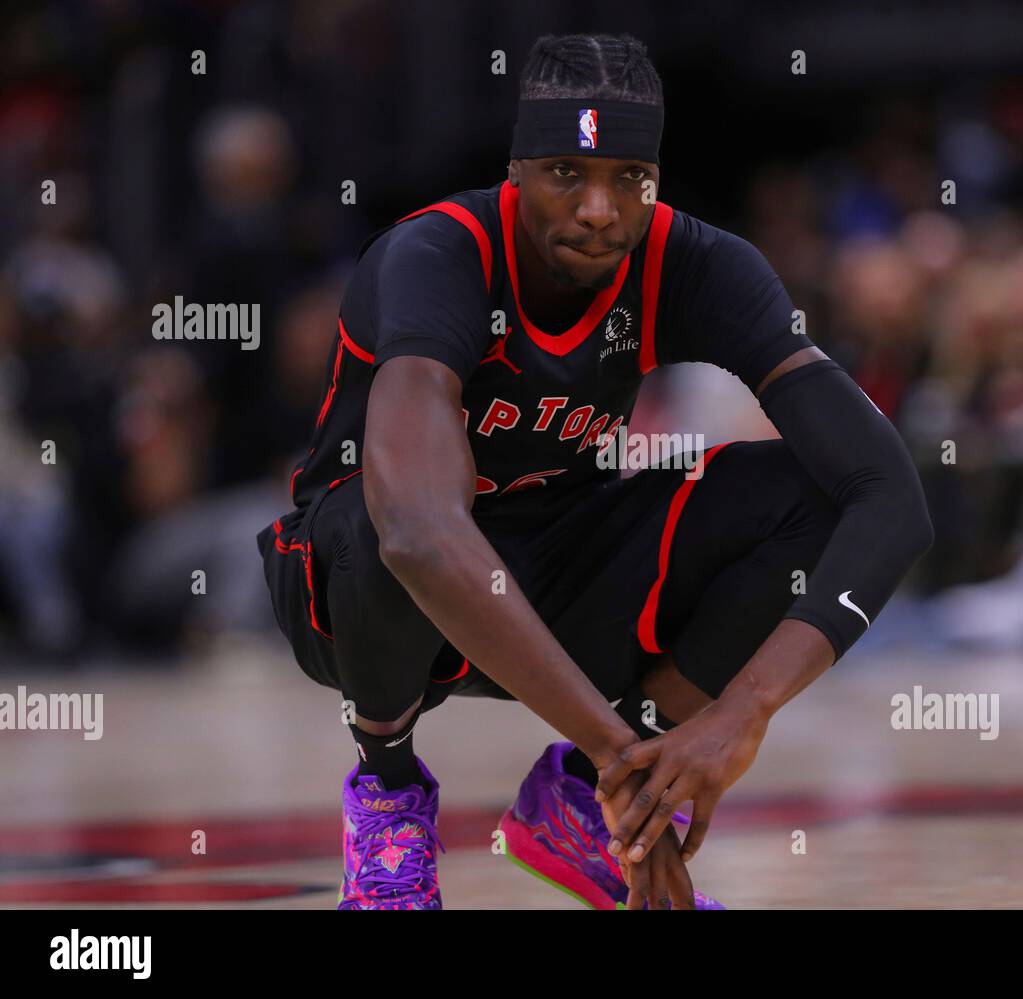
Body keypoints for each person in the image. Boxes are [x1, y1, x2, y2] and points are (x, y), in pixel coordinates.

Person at [256, 32, 931, 910]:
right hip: (360, 595)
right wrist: (620, 747)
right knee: (380, 521)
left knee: (805, 500)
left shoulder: (701, 266)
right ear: (516, 170)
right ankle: (387, 793)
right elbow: (422, 532)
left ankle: (583, 803)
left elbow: (891, 499)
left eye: (629, 177)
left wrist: (739, 716)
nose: (601, 209)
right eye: (566, 174)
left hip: (557, 571)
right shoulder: (438, 256)